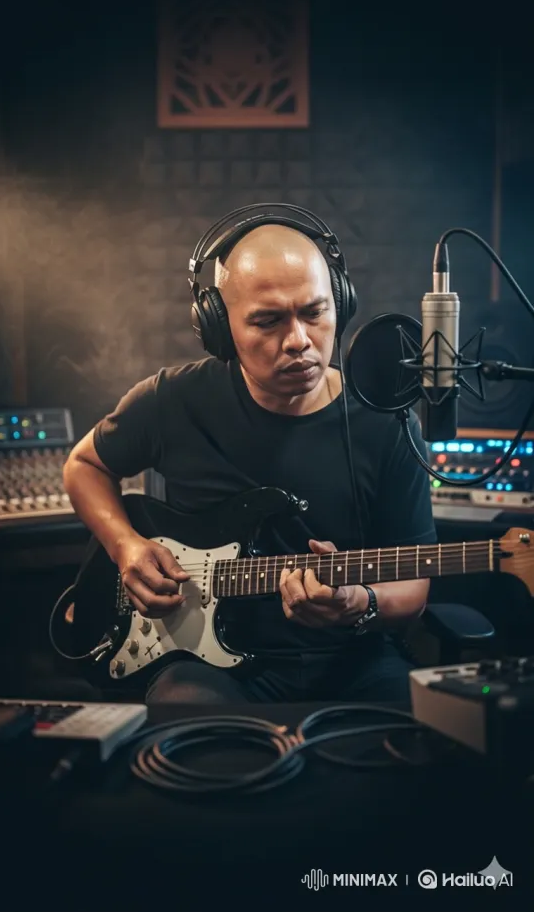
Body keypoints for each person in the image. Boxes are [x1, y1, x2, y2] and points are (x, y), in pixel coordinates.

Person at [63, 207, 436, 706]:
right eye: (268, 321)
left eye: (314, 311)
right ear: (219, 327)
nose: (299, 341)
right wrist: (125, 545)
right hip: (207, 668)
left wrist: (358, 603)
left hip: (353, 659)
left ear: (341, 305)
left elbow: (412, 585)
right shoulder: (173, 400)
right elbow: (84, 466)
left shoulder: (386, 423)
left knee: (419, 729)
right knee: (185, 718)